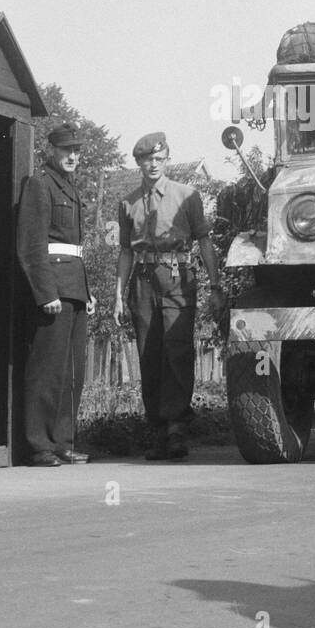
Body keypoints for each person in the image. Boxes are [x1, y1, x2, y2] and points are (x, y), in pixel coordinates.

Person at [114, 132, 223, 461]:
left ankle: (176, 428)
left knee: (176, 351)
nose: (153, 164)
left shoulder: (188, 195)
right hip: (143, 282)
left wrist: (215, 285)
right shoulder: (127, 202)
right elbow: (124, 251)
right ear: (138, 163)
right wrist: (118, 296)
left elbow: (204, 241)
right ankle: (158, 430)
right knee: (149, 353)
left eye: (159, 159)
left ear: (168, 159)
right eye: (147, 159)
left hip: (177, 276)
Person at [16, 123, 96, 466]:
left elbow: (76, 248)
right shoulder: (40, 184)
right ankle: (40, 445)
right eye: (66, 150)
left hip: (74, 288)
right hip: (54, 291)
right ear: (52, 151)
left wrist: (87, 292)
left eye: (76, 151)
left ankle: (63, 441)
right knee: (47, 370)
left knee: (72, 371)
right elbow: (32, 244)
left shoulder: (72, 189)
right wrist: (45, 292)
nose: (72, 156)